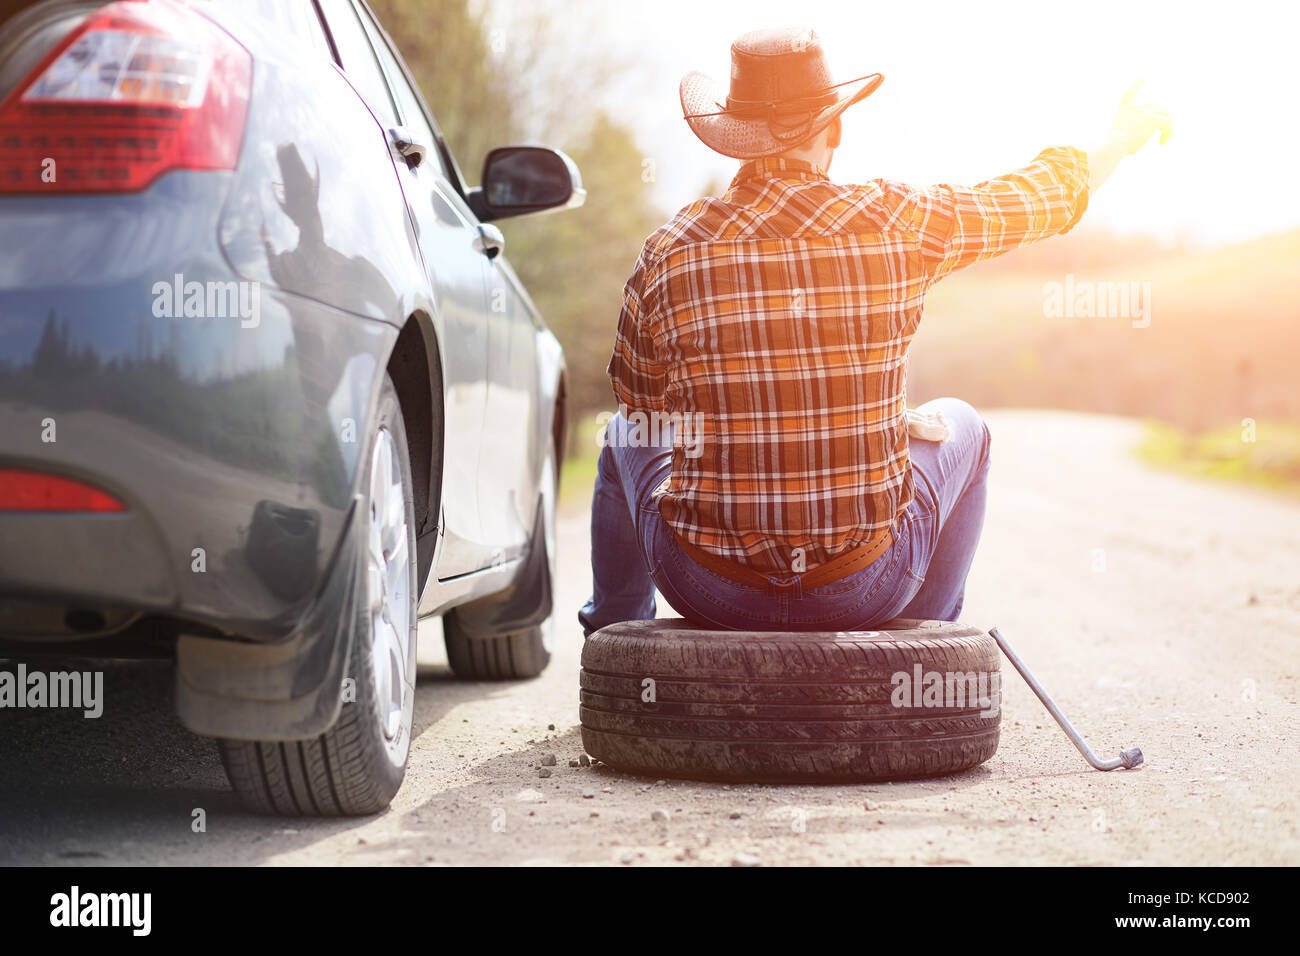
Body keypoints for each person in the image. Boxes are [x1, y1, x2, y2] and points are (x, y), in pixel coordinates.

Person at [579, 27, 1170, 636]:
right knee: (965, 425)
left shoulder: (670, 248)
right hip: (862, 588)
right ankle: (916, 651)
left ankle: (614, 638)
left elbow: (642, 400)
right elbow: (1039, 197)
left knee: (627, 429)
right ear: (834, 129)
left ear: (735, 141)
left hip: (708, 588)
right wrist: (1119, 137)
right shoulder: (897, 222)